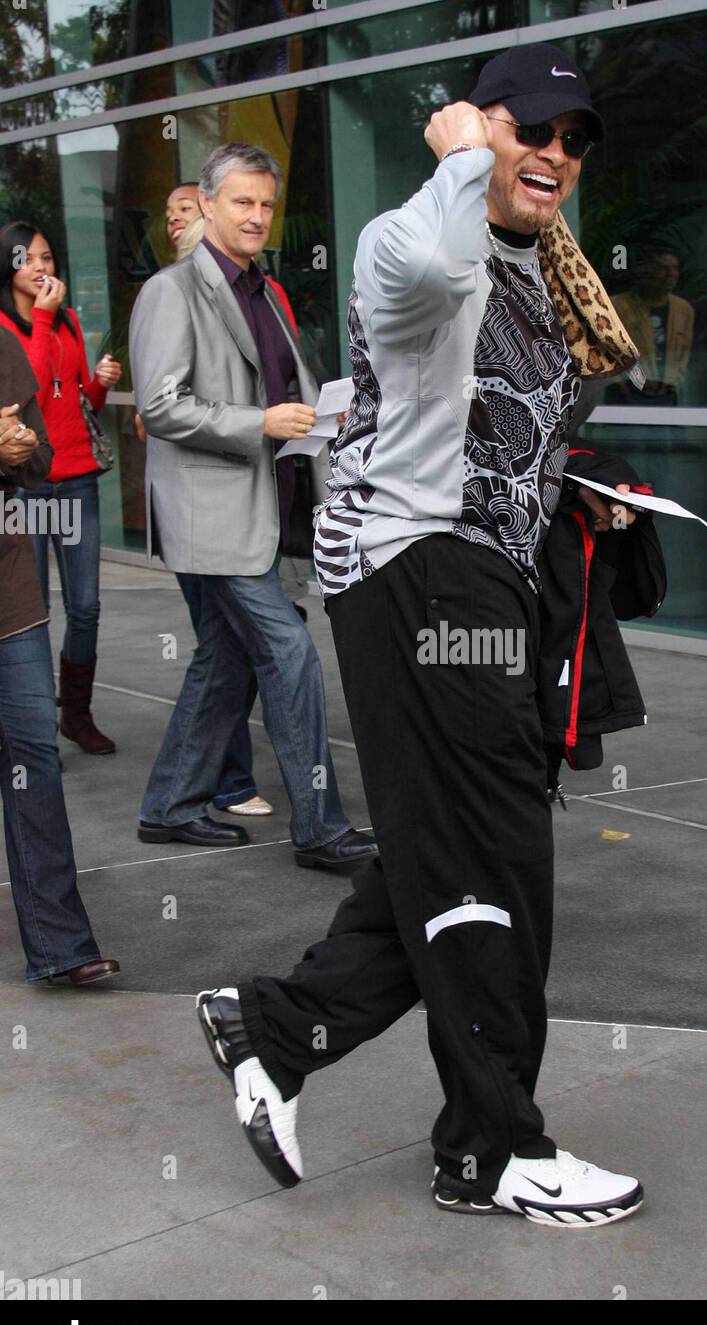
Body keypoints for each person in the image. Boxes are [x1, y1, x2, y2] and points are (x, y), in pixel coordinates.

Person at [197, 46, 651, 1227]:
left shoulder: (535, 267)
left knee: (442, 846)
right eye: (533, 128)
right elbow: (436, 270)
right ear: (479, 125)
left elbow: (500, 425)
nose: (555, 153)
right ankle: (496, 1146)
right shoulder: (412, 236)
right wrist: (457, 157)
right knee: (496, 848)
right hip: (418, 575)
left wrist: (571, 490)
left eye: (575, 139)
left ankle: (279, 1030)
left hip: (481, 573)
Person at [130, 142, 375, 870]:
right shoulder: (170, 293)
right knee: (291, 654)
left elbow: (288, 390)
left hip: (270, 513)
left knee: (222, 662)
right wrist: (258, 423)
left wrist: (321, 421)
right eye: (242, 201)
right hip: (214, 520)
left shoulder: (263, 291)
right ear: (206, 204)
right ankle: (321, 831)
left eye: (267, 204)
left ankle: (169, 806)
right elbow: (161, 405)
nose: (257, 216)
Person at [0, 326, 119, 984]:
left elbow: (43, 456)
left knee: (33, 759)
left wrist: (19, 450)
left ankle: (60, 947)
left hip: (10, 593)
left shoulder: (2, 344)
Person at [0, 222, 122, 754]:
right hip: (27, 485)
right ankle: (32, 725)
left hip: (76, 480)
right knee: (33, 608)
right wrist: (45, 318)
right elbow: (33, 382)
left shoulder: (67, 318)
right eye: (28, 258)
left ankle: (76, 714)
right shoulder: (7, 327)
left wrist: (98, 383)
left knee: (86, 606)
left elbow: (69, 399)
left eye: (47, 257)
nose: (41, 267)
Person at [612, 246, 694, 402]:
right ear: (645, 273)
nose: (670, 275)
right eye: (663, 269)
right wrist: (620, 382)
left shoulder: (683, 310)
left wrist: (675, 381)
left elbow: (684, 354)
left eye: (675, 268)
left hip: (668, 392)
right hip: (627, 393)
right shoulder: (617, 306)